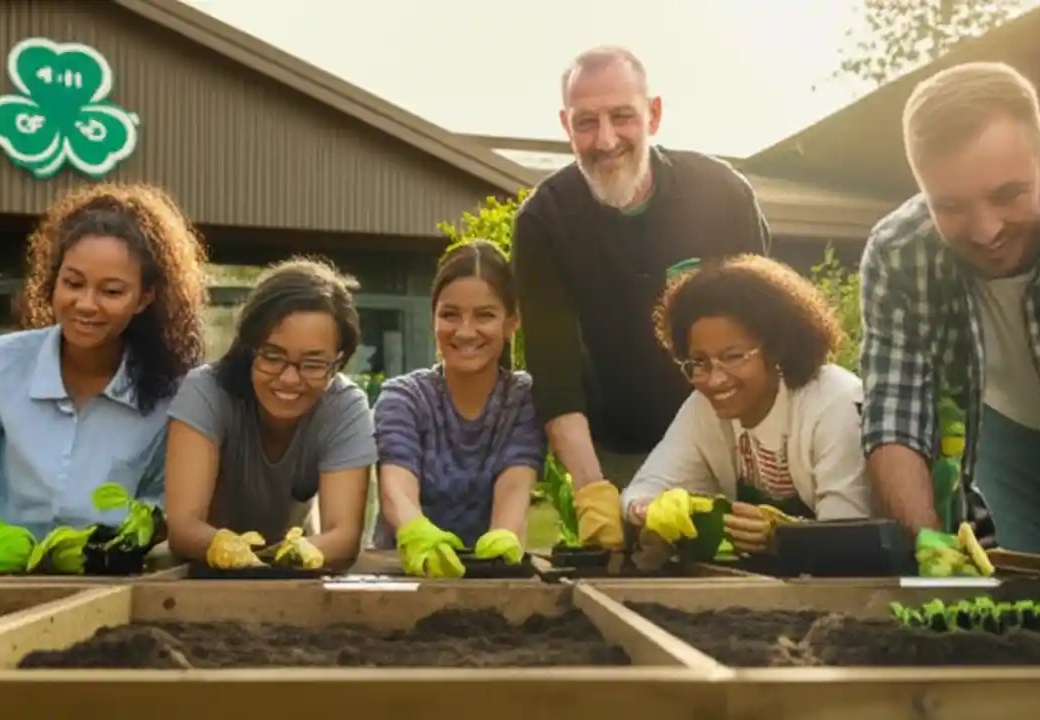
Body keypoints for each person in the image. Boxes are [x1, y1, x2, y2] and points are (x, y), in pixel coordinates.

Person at [512, 45, 770, 551]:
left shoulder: (722, 195)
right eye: (586, 122)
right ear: (566, 125)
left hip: (730, 433)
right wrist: (593, 492)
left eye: (622, 117)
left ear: (653, 113)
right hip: (619, 446)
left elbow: (769, 330)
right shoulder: (543, 222)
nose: (605, 140)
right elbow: (556, 376)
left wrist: (760, 455)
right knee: (633, 565)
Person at [861, 61, 1040, 560]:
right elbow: (895, 413)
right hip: (1010, 448)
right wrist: (927, 541)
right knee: (1026, 616)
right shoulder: (898, 252)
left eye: (1006, 195)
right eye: (949, 206)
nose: (985, 231)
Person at [0, 183, 208, 573]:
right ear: (53, 278)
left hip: (112, 584)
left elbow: (168, 501)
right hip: (2, 576)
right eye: (73, 283)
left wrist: (127, 538)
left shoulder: (175, 392)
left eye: (111, 291)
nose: (86, 304)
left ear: (145, 298)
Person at [622, 255, 870, 554]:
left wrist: (783, 538)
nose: (714, 380)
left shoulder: (834, 402)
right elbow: (643, 488)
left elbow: (850, 534)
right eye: (699, 362)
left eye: (733, 356)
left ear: (776, 348)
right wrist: (647, 510)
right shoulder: (703, 409)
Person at [165, 258, 376, 570]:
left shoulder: (344, 407)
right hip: (202, 569)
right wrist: (231, 551)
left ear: (339, 362)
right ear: (248, 347)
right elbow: (183, 527)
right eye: (273, 356)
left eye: (314, 364)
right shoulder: (206, 392)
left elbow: (343, 537)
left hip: (297, 575)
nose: (290, 379)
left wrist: (285, 558)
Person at [373, 241, 546, 578]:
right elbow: (396, 487)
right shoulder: (403, 398)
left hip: (490, 577)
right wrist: (415, 532)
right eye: (450, 314)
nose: (465, 331)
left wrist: (504, 538)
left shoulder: (523, 399)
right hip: (403, 578)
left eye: (485, 315)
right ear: (433, 318)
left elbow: (514, 485)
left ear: (512, 323)